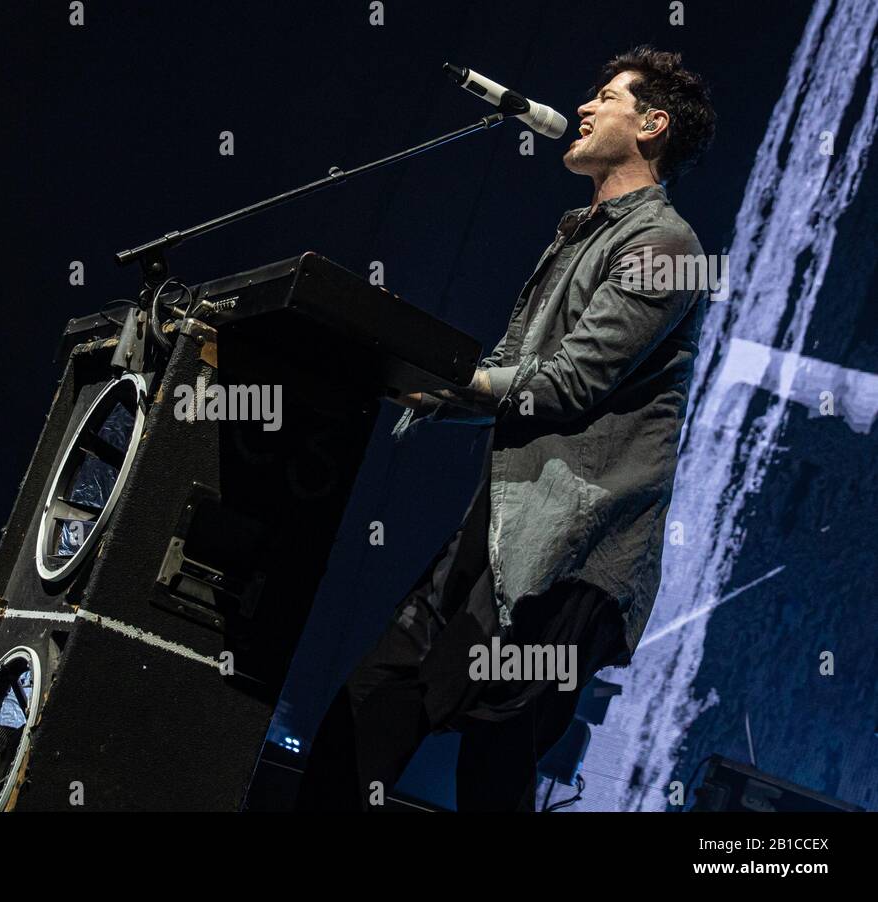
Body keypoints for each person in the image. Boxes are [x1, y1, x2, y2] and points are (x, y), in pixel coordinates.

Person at [297, 47, 717, 811]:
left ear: (652, 126)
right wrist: (415, 382)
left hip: (573, 554)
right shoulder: (578, 235)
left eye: (606, 97)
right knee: (404, 723)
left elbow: (566, 384)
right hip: (506, 527)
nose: (584, 107)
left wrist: (441, 376)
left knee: (453, 733)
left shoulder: (669, 249)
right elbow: (509, 368)